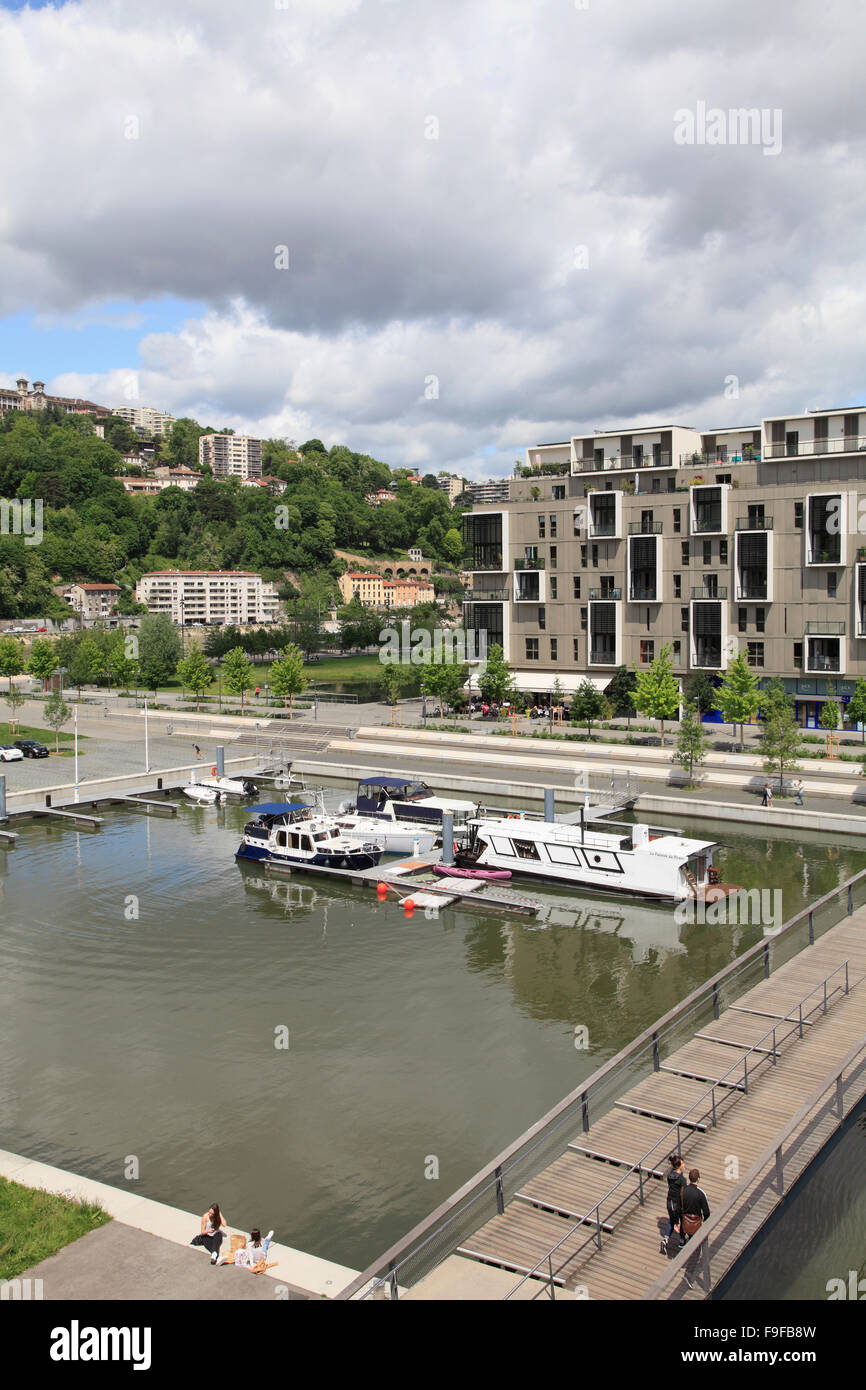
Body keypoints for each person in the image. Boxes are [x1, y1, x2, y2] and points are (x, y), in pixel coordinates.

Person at [680, 1169, 711, 1288]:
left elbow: (679, 1208)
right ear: (698, 1179)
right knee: (697, 1250)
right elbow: (707, 1212)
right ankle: (688, 1274)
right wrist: (705, 1221)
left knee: (689, 1241)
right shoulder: (700, 1194)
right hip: (696, 1225)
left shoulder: (683, 1191)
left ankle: (683, 1243)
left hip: (685, 1223)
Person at [660, 1153, 686, 1255]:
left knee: (672, 1220)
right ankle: (682, 1241)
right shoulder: (681, 1180)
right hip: (677, 1203)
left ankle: (665, 1240)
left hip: (669, 1201)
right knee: (682, 1219)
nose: (684, 1165)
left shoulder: (670, 1175)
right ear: (679, 1166)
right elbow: (683, 1193)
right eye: (683, 1164)